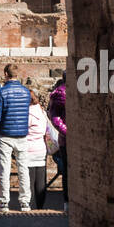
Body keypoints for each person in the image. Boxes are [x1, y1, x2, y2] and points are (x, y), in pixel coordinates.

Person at [0, 63, 31, 212]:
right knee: (23, 168)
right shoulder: (26, 92)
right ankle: (25, 202)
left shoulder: (1, 92)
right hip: (21, 134)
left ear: (5, 74)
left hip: (6, 134)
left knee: (4, 169)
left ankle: (4, 202)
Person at [23, 88, 57, 210]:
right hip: (41, 149)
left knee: (29, 181)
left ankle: (30, 206)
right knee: (41, 180)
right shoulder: (41, 112)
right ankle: (40, 206)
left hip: (29, 150)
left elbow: (23, 131)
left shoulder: (27, 114)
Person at [48, 78, 69, 210]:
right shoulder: (60, 93)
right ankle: (67, 201)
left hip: (69, 137)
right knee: (67, 171)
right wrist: (67, 132)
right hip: (66, 140)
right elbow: (55, 117)